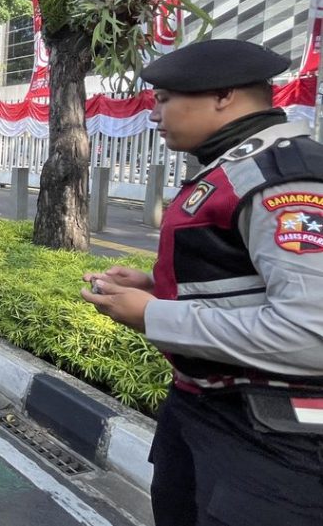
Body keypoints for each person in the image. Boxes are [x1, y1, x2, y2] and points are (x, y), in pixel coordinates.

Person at [80, 39, 323, 526]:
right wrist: (156, 285)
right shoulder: (234, 169)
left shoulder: (284, 180)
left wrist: (153, 314)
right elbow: (248, 277)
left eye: (166, 99)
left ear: (223, 95)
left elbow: (310, 334)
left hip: (270, 437)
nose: (154, 114)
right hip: (202, 412)